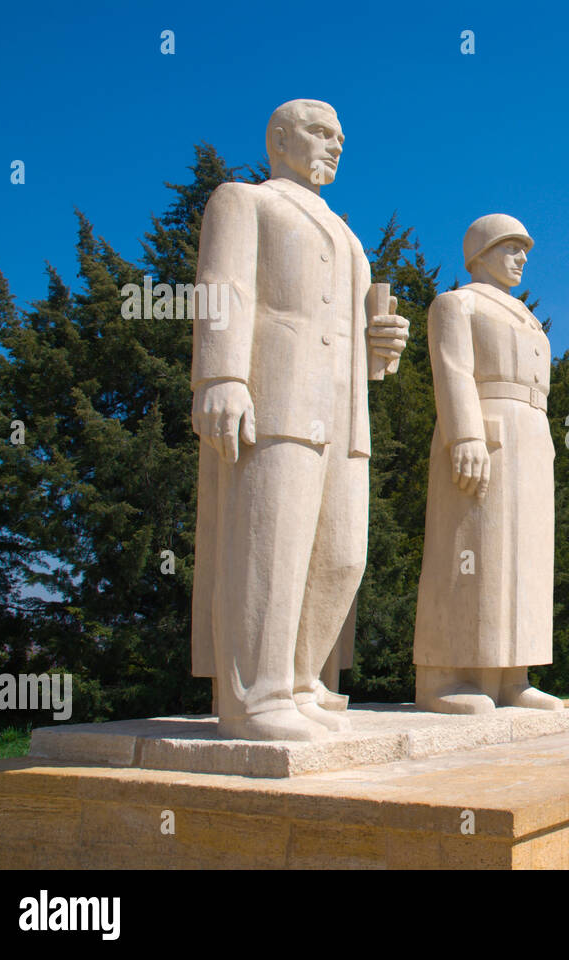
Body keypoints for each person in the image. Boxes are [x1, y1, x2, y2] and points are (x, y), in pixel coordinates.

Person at [190, 100, 408, 741]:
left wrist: (380, 347)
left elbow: (350, 338)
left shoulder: (348, 237)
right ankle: (256, 699)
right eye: (321, 133)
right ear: (279, 139)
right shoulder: (243, 201)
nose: (336, 145)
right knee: (269, 547)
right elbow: (220, 288)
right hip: (273, 397)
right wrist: (221, 376)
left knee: (341, 555)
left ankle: (301, 679)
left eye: (341, 136)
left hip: (342, 413)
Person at [413, 214, 563, 715]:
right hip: (484, 429)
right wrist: (465, 434)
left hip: (531, 437)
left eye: (524, 250)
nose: (521, 258)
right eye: (510, 248)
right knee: (470, 548)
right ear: (479, 252)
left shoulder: (528, 318)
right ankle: (443, 674)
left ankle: (511, 675)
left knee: (524, 562)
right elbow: (452, 371)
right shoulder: (457, 304)